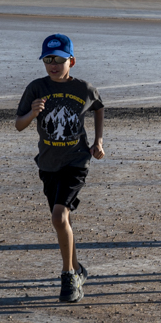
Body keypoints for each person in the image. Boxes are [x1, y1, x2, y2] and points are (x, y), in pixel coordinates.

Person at [15, 34, 104, 303]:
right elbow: (19, 124)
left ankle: (67, 276)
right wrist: (32, 113)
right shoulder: (36, 88)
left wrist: (98, 140)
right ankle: (77, 269)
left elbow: (99, 106)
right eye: (48, 59)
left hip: (76, 161)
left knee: (58, 216)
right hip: (47, 163)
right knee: (62, 220)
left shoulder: (83, 89)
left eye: (59, 60)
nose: (53, 65)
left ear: (71, 61)